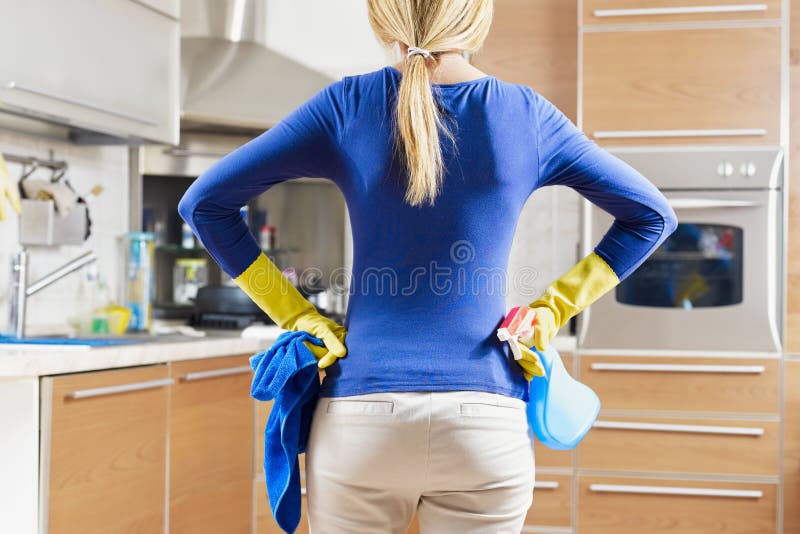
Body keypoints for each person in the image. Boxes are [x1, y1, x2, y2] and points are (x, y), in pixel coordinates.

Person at [179, 1, 678, 532]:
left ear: (382, 19)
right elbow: (650, 216)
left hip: (360, 421)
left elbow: (203, 205)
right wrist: (551, 311)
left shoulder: (346, 104)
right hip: (485, 420)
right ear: (476, 18)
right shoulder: (525, 114)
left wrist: (298, 316)